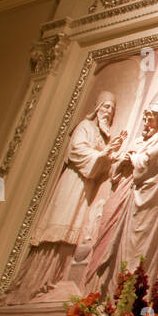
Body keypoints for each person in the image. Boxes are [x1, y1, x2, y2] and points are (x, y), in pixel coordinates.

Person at [7, 92, 122, 303]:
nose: (108, 113)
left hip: (85, 187)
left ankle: (55, 279)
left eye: (111, 110)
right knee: (59, 226)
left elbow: (99, 165)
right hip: (72, 182)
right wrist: (103, 153)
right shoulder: (85, 127)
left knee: (73, 231)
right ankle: (37, 280)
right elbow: (78, 152)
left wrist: (109, 155)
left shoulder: (101, 134)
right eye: (105, 107)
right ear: (97, 108)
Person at [84, 99, 158, 291]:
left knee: (138, 247)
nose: (150, 123)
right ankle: (116, 294)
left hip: (151, 198)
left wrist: (134, 157)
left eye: (153, 118)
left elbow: (150, 162)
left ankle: (129, 294)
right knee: (125, 246)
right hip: (140, 195)